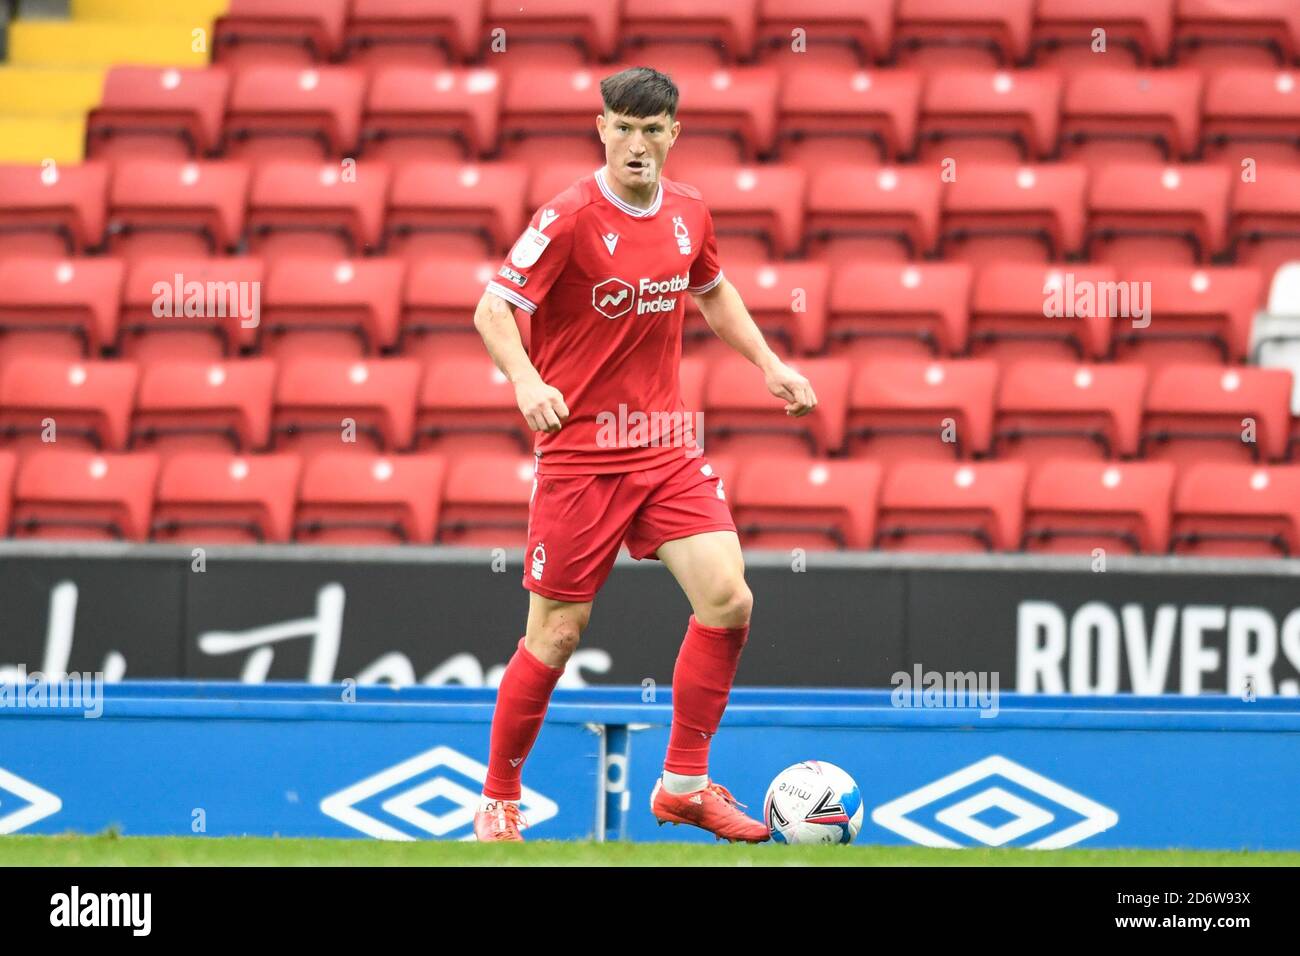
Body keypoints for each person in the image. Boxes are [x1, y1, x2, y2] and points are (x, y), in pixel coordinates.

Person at [471, 66, 817, 842]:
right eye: (622, 126)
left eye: (651, 129)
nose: (636, 143)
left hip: (662, 444)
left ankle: (683, 786)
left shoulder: (690, 210)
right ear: (601, 128)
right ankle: (498, 800)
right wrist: (526, 382)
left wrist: (770, 365)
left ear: (673, 135)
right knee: (556, 634)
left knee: (729, 599)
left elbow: (714, 291)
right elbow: (493, 308)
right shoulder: (566, 217)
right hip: (581, 454)